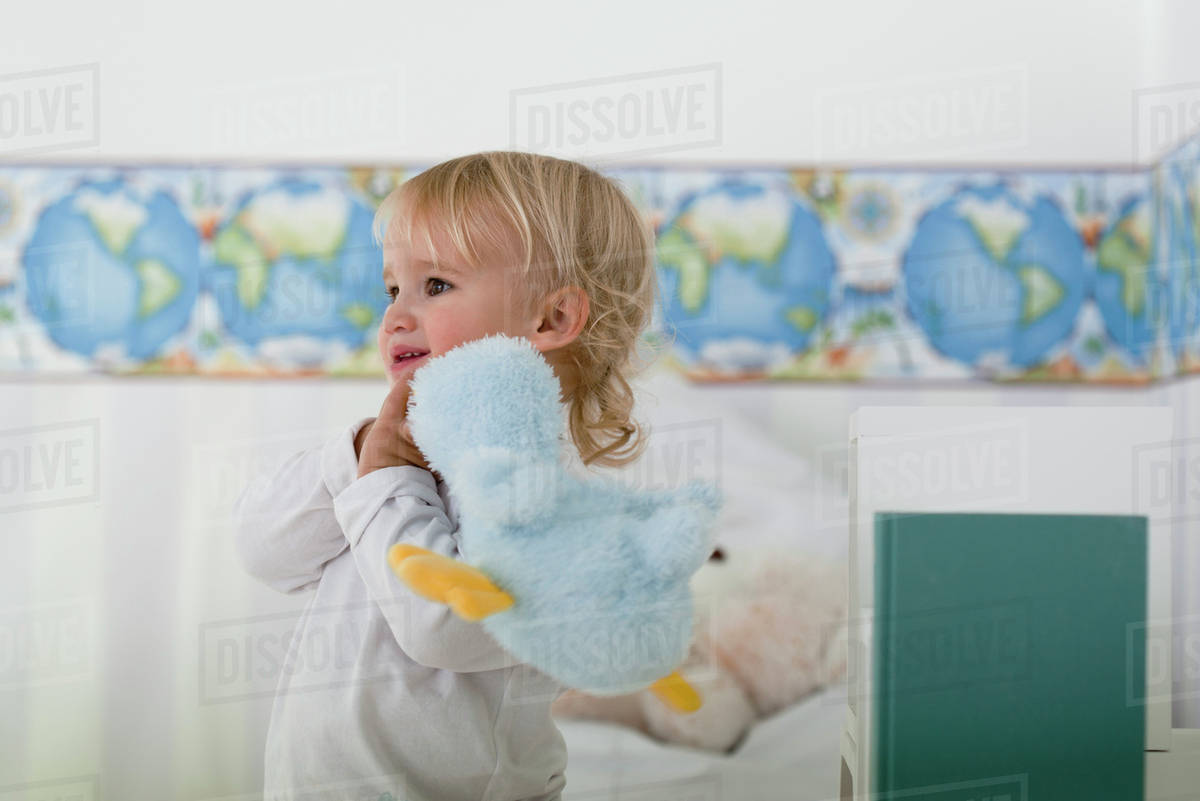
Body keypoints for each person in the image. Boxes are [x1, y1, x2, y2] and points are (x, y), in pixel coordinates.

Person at [233, 151, 661, 801]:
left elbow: (442, 622)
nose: (396, 315)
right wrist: (352, 456)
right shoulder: (387, 451)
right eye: (392, 288)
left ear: (550, 319)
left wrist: (385, 480)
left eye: (435, 285)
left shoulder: (547, 492)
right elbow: (264, 550)